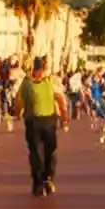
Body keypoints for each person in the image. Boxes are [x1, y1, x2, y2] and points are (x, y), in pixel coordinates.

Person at [13, 57, 69, 196]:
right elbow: (19, 100)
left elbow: (60, 98)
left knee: (50, 151)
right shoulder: (26, 83)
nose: (38, 72)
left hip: (49, 120)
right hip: (33, 122)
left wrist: (64, 115)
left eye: (40, 69)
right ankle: (38, 182)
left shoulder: (50, 81)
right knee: (36, 153)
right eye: (36, 70)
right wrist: (17, 112)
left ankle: (48, 179)